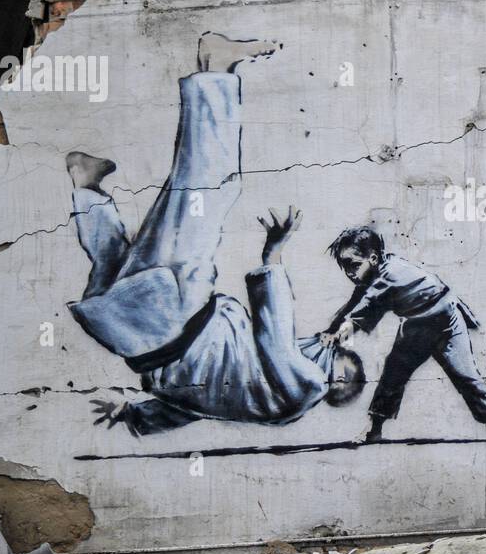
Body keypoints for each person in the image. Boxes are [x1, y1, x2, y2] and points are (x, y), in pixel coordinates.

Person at [67, 32, 337, 436]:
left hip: (178, 315)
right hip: (127, 335)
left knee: (208, 188)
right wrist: (131, 415)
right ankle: (86, 187)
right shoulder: (251, 402)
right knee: (118, 265)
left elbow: (276, 337)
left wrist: (273, 259)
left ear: (339, 381)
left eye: (343, 360)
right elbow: (187, 407)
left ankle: (216, 69)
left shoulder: (308, 388)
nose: (334, 347)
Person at [322, 226, 486, 443]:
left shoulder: (386, 277)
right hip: (416, 326)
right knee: (392, 377)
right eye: (345, 267)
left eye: (354, 265)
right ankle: (374, 429)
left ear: (372, 258)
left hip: (446, 321)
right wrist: (332, 330)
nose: (350, 273)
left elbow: (363, 309)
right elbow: (353, 304)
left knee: (465, 375)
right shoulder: (376, 271)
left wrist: (339, 334)